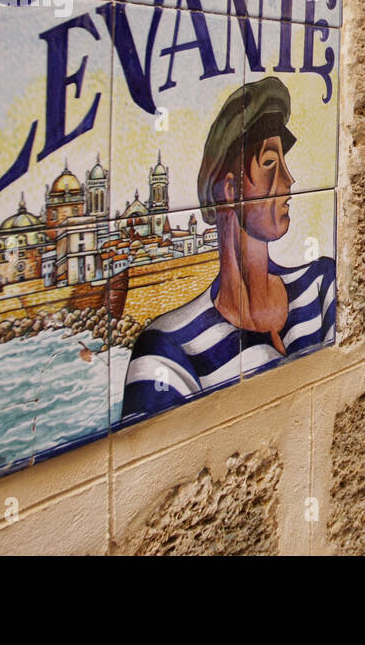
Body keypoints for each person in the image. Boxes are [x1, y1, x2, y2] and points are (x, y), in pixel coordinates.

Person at [121, 77, 336, 419]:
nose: (289, 180)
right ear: (230, 189)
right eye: (270, 164)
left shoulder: (322, 286)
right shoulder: (168, 351)